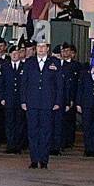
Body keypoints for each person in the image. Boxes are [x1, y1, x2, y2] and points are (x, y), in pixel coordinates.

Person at [20, 38, 62, 168]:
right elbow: (24, 84)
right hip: (32, 102)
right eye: (39, 47)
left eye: (44, 47)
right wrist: (23, 100)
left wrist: (57, 101)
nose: (41, 49)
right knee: (32, 132)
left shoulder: (54, 63)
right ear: (35, 49)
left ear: (47, 48)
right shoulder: (29, 63)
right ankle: (34, 159)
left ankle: (44, 160)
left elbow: (59, 85)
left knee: (46, 132)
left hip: (47, 103)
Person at [77, 54, 94, 157]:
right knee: (87, 127)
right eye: (92, 59)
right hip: (86, 104)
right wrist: (78, 103)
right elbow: (80, 89)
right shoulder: (84, 73)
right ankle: (88, 148)